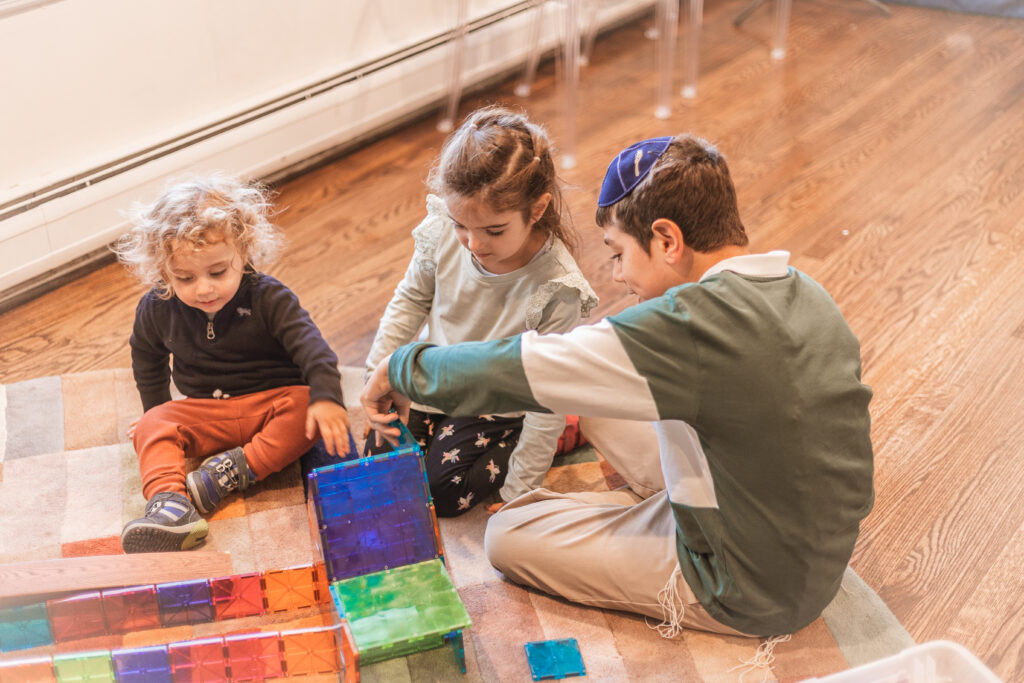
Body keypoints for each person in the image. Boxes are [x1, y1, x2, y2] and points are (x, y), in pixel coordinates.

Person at [362, 134, 874, 638]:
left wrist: (400, 368)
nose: (618, 276)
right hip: (804, 543)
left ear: (668, 240)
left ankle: (646, 524)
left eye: (619, 253)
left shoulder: (688, 330)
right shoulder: (806, 290)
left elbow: (522, 367)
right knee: (595, 397)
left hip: (743, 587)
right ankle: (648, 513)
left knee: (507, 535)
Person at [364, 105, 598, 517]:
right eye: (461, 225)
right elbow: (409, 300)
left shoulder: (557, 286)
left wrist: (519, 489)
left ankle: (569, 431)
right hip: (431, 375)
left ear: (538, 209)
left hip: (498, 403)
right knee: (382, 469)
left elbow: (547, 393)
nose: (472, 243)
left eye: (493, 230)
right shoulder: (441, 233)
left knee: (443, 493)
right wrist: (379, 376)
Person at [114, 174, 350, 553]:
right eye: (185, 278)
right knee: (152, 422)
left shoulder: (269, 297)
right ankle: (169, 505)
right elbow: (147, 358)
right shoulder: (156, 307)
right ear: (162, 271)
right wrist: (157, 409)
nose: (204, 288)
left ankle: (227, 474)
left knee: (310, 408)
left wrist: (327, 398)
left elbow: (314, 350)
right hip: (208, 411)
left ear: (244, 251)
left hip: (271, 405)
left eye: (218, 272)